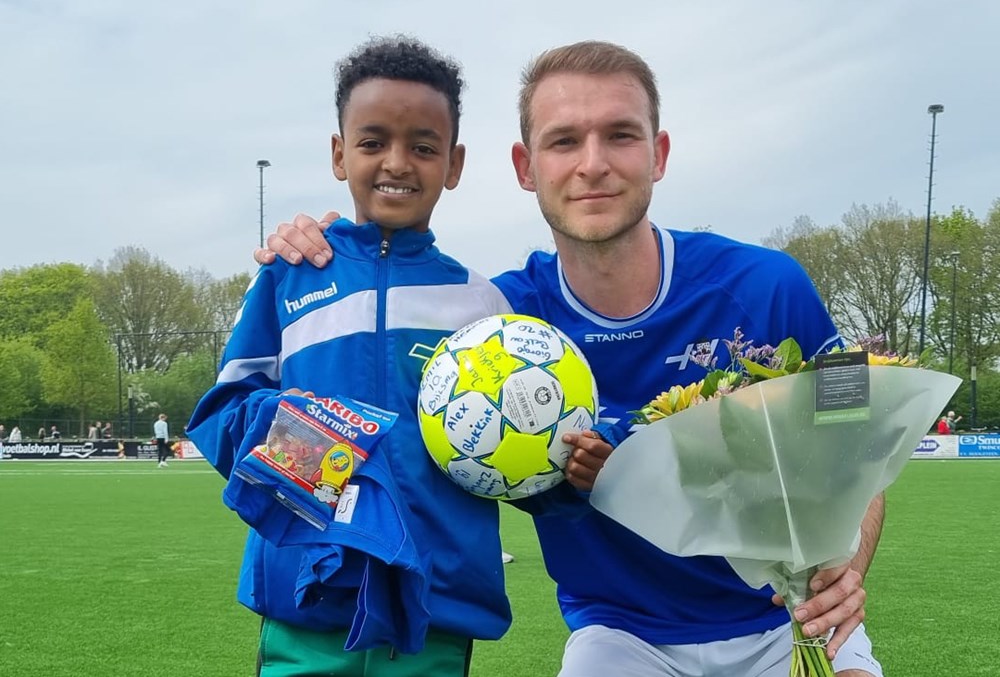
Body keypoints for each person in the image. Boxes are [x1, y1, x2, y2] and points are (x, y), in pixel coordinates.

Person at [259, 40, 883, 677]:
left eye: (620, 135)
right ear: (525, 166)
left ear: (658, 154)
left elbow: (863, 436)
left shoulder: (772, 284)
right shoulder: (491, 320)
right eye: (564, 142)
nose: (593, 165)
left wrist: (843, 570)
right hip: (619, 635)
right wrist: (329, 252)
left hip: (788, 622)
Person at [185, 36, 599, 676]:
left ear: (454, 164)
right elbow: (222, 414)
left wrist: (567, 469)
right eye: (373, 141)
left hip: (434, 612)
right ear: (338, 152)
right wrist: (332, 456)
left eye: (424, 147)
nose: (397, 163)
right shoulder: (289, 276)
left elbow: (520, 461)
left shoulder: (484, 307)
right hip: (309, 601)